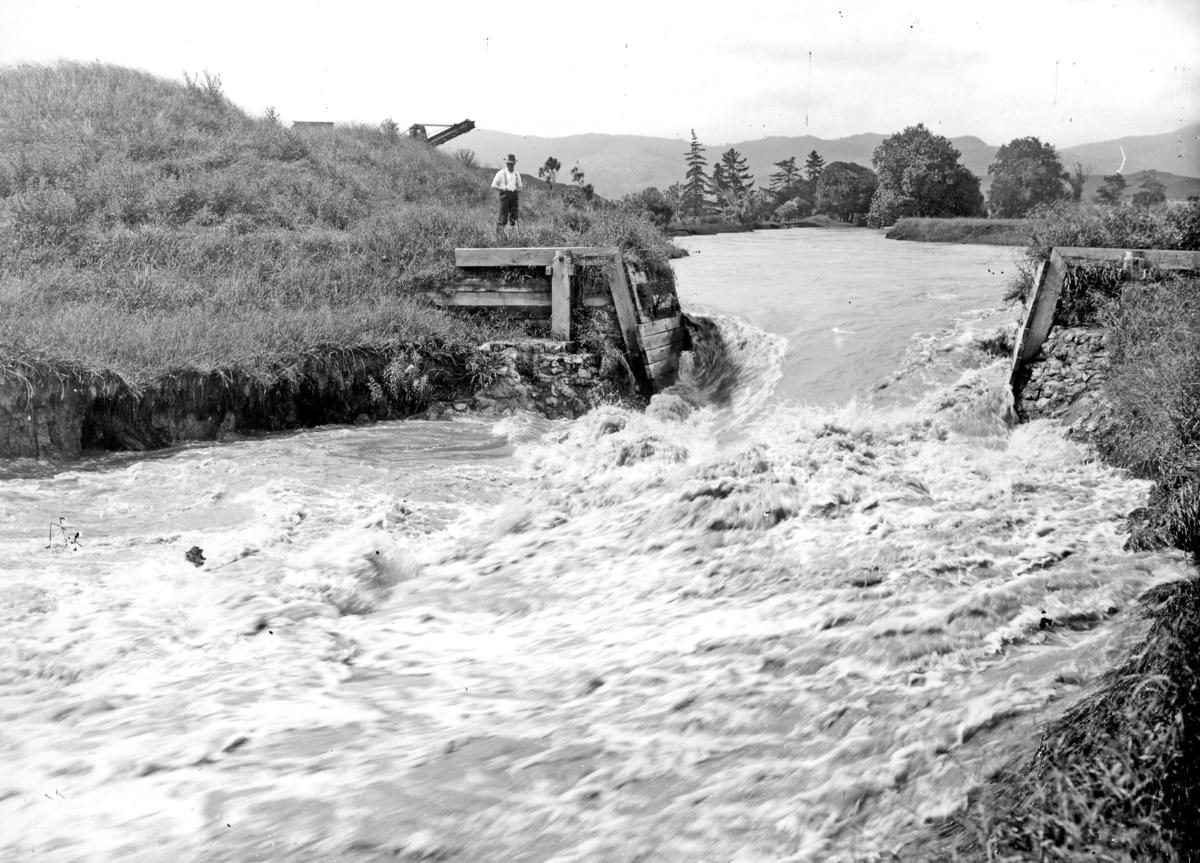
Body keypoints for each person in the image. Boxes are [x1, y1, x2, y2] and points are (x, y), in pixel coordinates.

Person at [491, 153, 523, 230]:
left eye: (511, 163)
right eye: (508, 163)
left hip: (514, 197)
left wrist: (516, 190)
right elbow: (493, 185)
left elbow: (520, 186)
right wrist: (503, 188)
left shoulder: (516, 174)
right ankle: (500, 237)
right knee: (502, 218)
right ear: (506, 163)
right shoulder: (501, 173)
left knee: (513, 218)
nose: (510, 165)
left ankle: (513, 237)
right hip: (504, 197)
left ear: (514, 163)